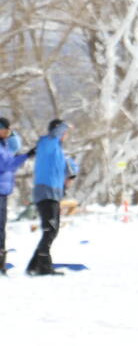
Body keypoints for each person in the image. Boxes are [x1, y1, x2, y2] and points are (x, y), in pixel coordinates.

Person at [25, 119, 77, 276]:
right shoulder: (47, 143)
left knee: (52, 231)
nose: (65, 135)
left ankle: (34, 265)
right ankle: (43, 267)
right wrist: (66, 124)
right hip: (45, 192)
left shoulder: (58, 152)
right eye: (64, 132)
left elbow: (69, 168)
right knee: (50, 230)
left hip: (54, 193)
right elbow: (55, 133)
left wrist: (70, 176)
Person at [0, 118, 34, 275]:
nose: (8, 132)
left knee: (2, 229)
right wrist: (26, 156)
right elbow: (7, 165)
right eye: (6, 129)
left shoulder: (4, 145)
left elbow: (11, 162)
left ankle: (1, 264)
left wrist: (22, 157)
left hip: (4, 191)